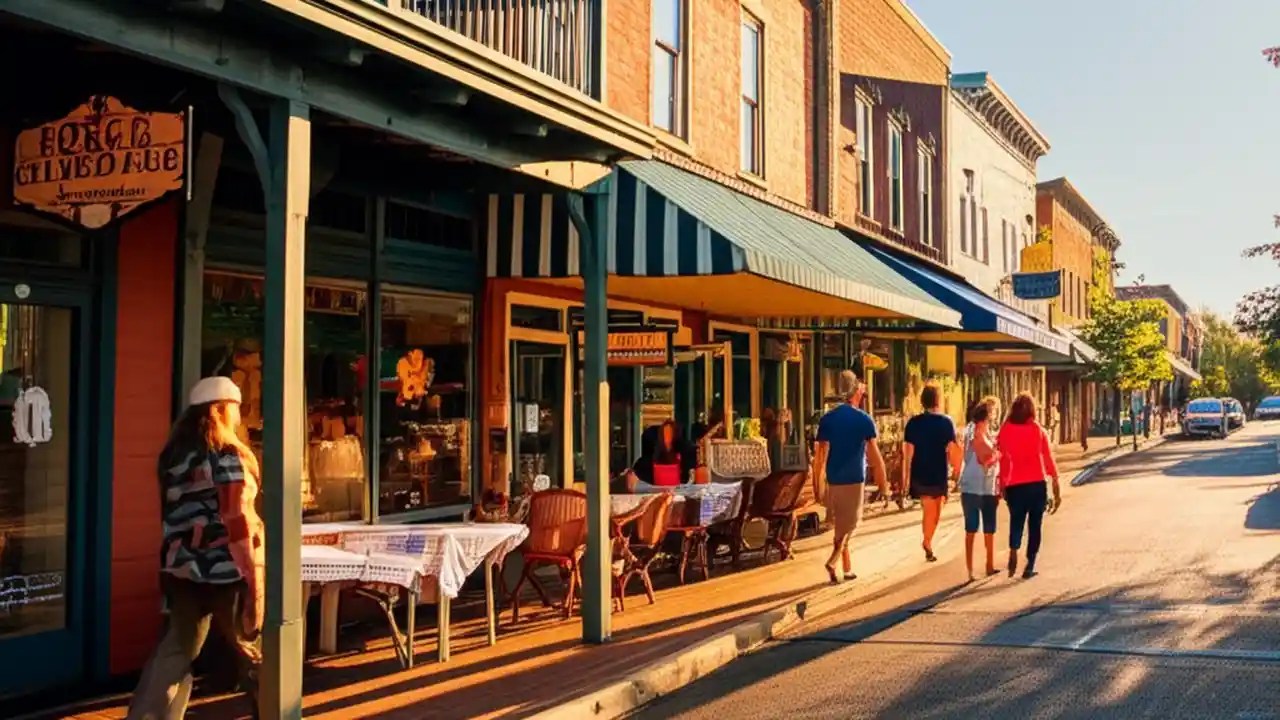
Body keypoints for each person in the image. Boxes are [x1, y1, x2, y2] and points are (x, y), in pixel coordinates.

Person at [128, 377, 264, 720]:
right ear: (219, 410)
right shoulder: (229, 457)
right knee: (251, 649)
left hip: (181, 568)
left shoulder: (173, 458)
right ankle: (277, 709)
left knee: (175, 649)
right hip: (226, 570)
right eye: (234, 408)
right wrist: (253, 580)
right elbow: (237, 521)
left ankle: (146, 716)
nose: (238, 416)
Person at [813, 371, 886, 584]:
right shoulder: (864, 420)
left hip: (833, 477)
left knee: (841, 524)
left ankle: (847, 568)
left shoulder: (827, 420)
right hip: (854, 478)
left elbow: (820, 456)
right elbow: (875, 456)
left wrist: (819, 484)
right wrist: (883, 484)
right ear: (855, 392)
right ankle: (834, 560)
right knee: (851, 524)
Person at [996, 392, 1062, 579]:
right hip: (1036, 484)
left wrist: (1002, 485)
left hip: (1014, 484)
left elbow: (1002, 459)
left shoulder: (1006, 430)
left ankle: (1013, 549)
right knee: (1035, 525)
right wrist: (1056, 486)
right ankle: (1030, 563)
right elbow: (1048, 459)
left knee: (1016, 520)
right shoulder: (1037, 430)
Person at [903, 384, 962, 562]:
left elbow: (907, 455)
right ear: (938, 400)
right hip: (937, 473)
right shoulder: (946, 422)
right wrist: (957, 472)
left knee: (936, 508)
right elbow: (953, 450)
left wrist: (906, 479)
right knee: (931, 509)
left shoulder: (913, 423)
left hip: (920, 472)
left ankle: (928, 539)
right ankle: (927, 543)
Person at [960, 400, 1001, 580]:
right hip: (975, 486)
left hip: (985, 486)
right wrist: (997, 455)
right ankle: (974, 569)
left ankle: (987, 565)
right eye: (991, 412)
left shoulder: (985, 433)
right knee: (974, 528)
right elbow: (984, 457)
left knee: (987, 527)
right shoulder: (974, 433)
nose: (993, 416)